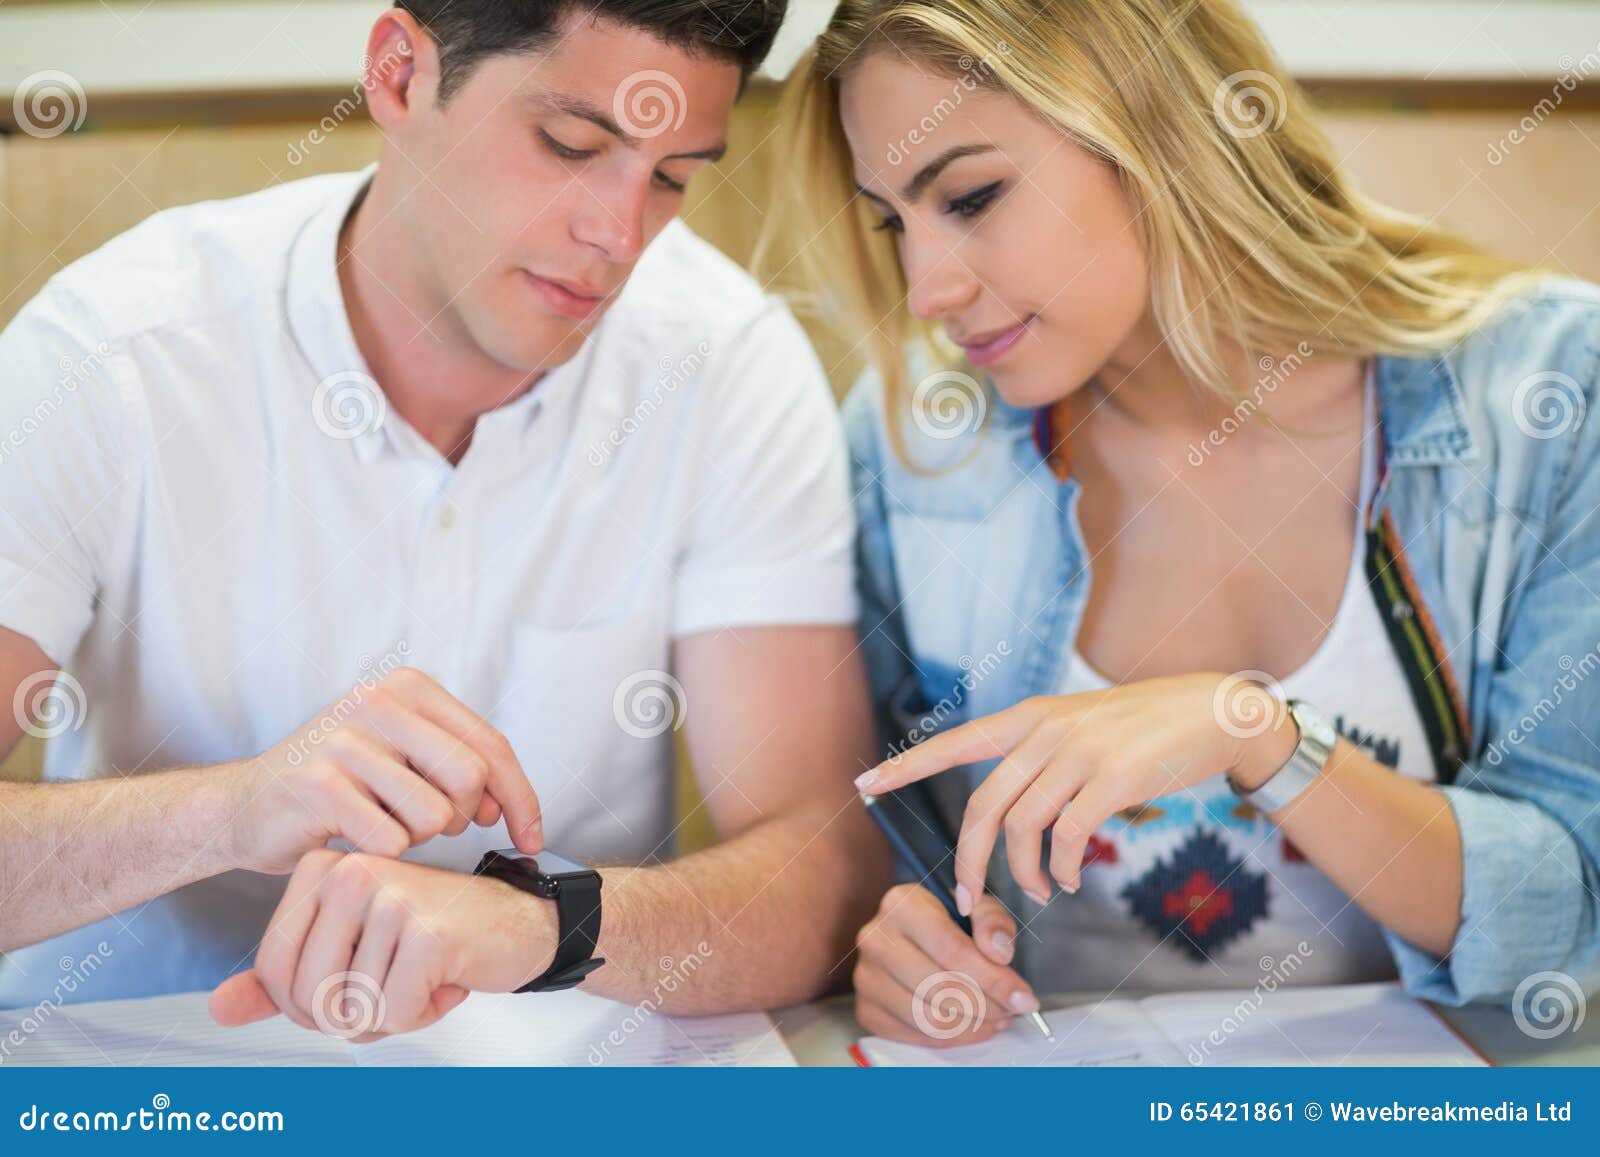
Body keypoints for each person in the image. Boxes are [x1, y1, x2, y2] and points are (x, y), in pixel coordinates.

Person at [0, 0, 889, 1038]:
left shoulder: (724, 360)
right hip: (134, 1073)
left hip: (547, 1085)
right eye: (571, 146)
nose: (617, 235)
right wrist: (230, 811)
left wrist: (543, 922)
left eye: (673, 176)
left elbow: (825, 868)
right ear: (398, 73)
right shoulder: (114, 357)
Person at [760, 0, 1600, 1047]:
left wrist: (1252, 733)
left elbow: (1571, 914)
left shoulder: (1555, 396)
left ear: (1154, 124)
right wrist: (905, 945)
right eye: (894, 222)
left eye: (971, 198)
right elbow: (897, 854)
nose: (926, 287)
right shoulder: (909, 448)